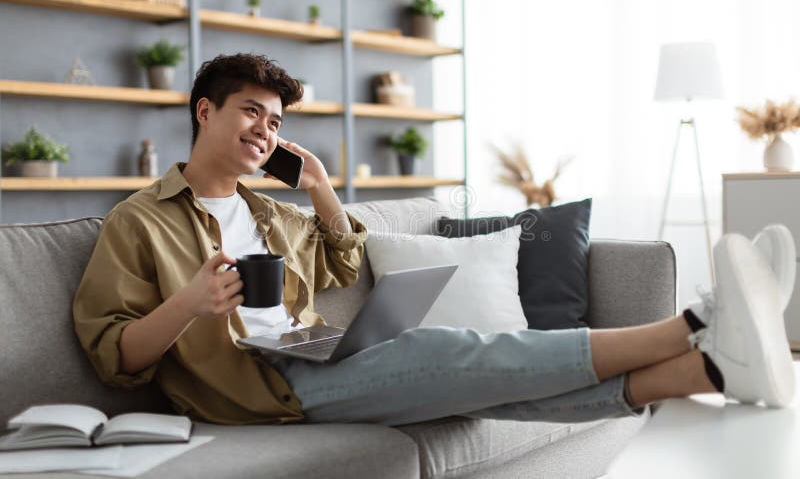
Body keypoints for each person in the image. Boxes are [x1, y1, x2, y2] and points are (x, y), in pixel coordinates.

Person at [72, 53, 796, 427]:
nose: (266, 131)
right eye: (252, 114)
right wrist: (193, 303)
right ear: (204, 112)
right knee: (442, 349)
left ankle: (718, 374)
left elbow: (345, 258)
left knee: (479, 389)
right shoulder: (139, 221)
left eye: (277, 123)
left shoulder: (270, 214)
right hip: (252, 393)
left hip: (308, 357)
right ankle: (697, 323)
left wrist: (320, 186)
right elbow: (115, 356)